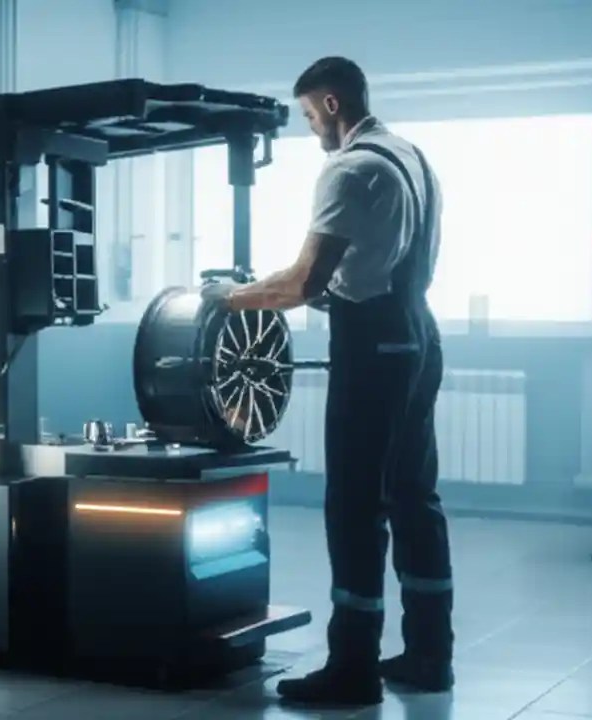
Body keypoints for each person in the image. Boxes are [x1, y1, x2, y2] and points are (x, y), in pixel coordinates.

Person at [204, 56, 454, 706]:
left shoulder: (350, 167)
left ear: (334, 104)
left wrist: (227, 300)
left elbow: (301, 282)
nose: (313, 129)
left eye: (312, 116)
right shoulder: (411, 157)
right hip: (420, 333)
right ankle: (431, 654)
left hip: (374, 341)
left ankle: (352, 668)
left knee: (354, 506)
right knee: (414, 497)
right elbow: (378, 262)